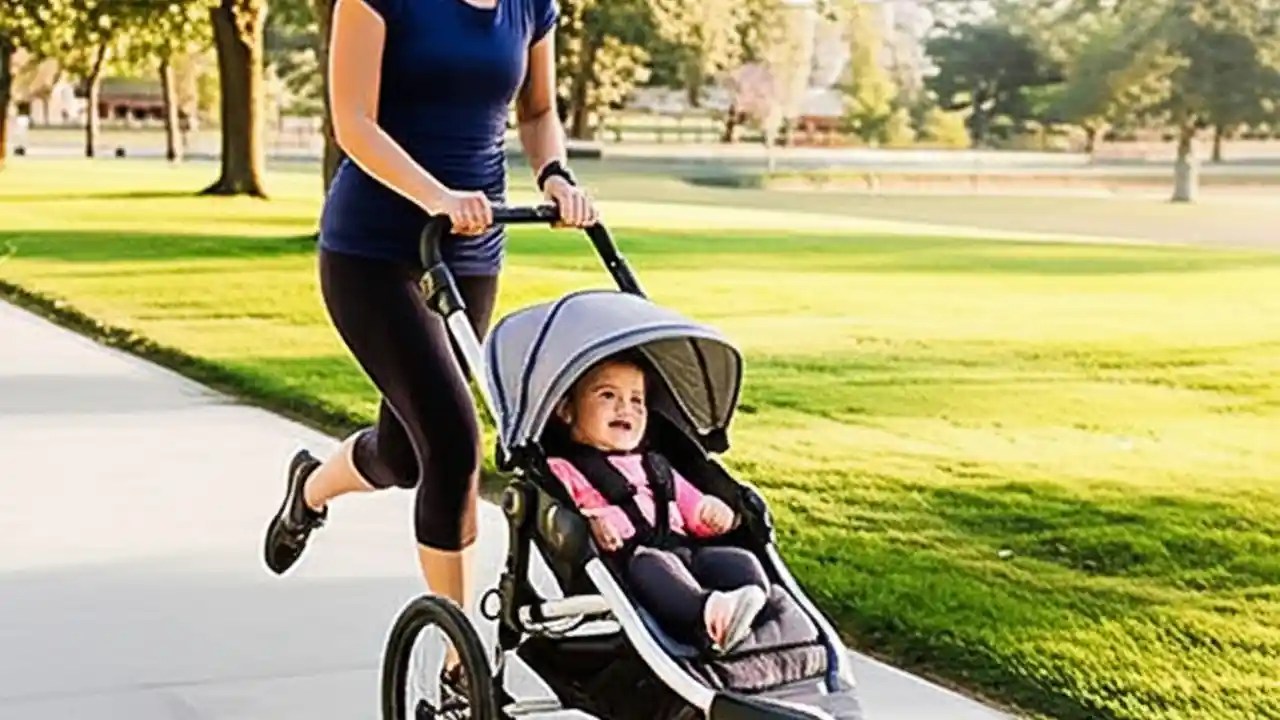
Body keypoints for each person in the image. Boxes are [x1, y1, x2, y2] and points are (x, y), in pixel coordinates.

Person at [261, 0, 598, 678]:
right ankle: (459, 661)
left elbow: (537, 112)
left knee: (407, 455)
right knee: (451, 439)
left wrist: (555, 174)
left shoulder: (531, 6)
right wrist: (435, 193)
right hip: (372, 250)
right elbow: (353, 123)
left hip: (468, 250)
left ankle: (311, 488)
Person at [546, 354, 770, 654]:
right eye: (608, 395)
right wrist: (590, 522)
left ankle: (755, 605)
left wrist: (713, 513)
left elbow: (694, 509)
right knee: (652, 566)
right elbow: (560, 510)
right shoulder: (563, 468)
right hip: (631, 562)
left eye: (636, 400)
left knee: (741, 561)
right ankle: (706, 615)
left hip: (687, 554)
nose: (625, 408)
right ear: (566, 410)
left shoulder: (658, 466)